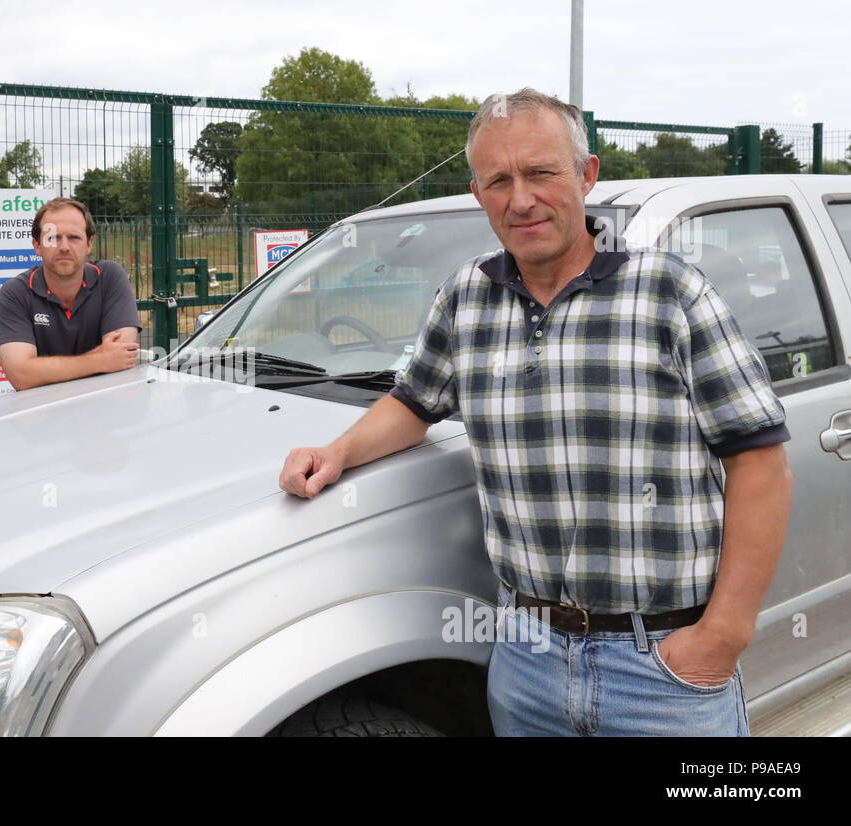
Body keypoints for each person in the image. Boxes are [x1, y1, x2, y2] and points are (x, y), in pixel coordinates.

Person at [278, 89, 792, 736]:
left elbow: (760, 463)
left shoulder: (670, 293)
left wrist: (723, 635)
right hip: (525, 662)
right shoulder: (468, 296)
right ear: (478, 193)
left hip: (662, 668)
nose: (520, 199)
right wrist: (336, 454)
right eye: (499, 180)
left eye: (541, 173)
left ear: (586, 175)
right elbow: (415, 403)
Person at [0, 197, 141, 390]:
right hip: (41, 412)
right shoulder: (15, 293)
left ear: (89, 244)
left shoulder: (109, 277)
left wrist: (44, 370)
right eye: (53, 238)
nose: (64, 246)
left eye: (74, 237)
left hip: (105, 407)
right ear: (37, 245)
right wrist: (100, 360)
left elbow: (121, 357)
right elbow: (21, 375)